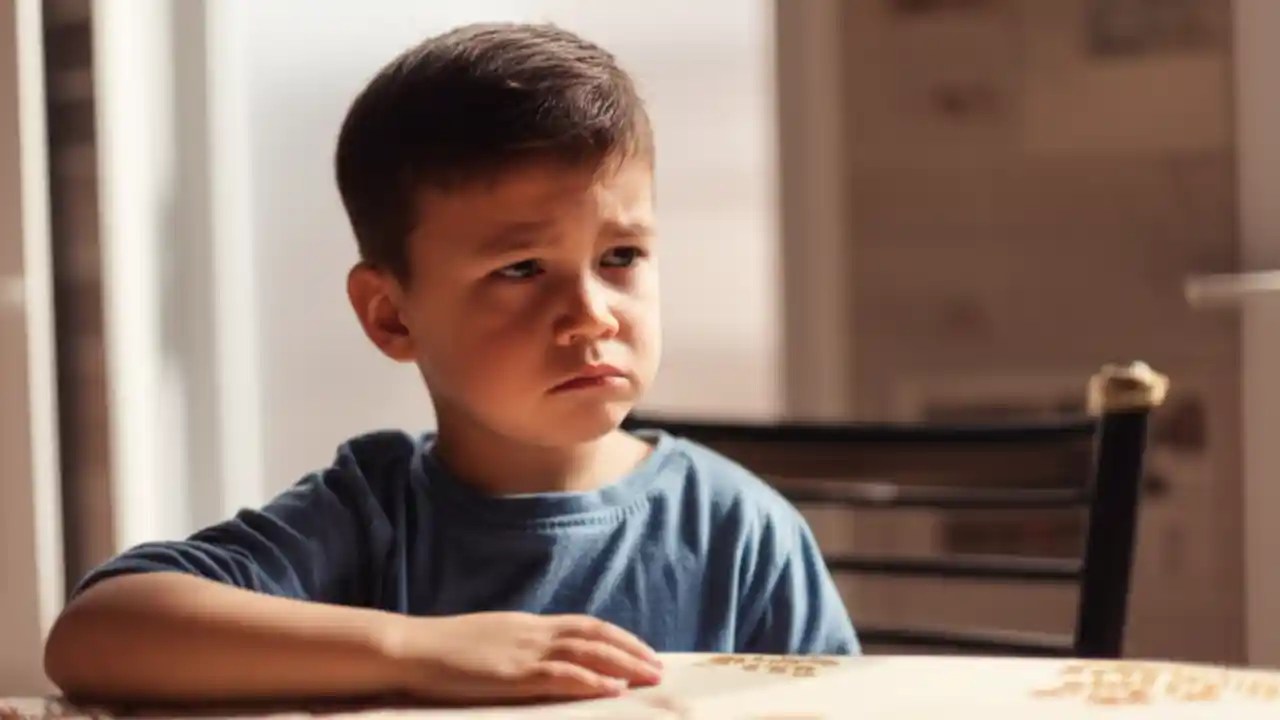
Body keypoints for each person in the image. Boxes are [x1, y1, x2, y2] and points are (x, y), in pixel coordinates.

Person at [43, 22, 858, 706]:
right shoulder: (373, 512)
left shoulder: (738, 530)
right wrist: (420, 650)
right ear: (390, 315)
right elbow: (97, 633)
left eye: (620, 256)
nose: (591, 313)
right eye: (520, 269)